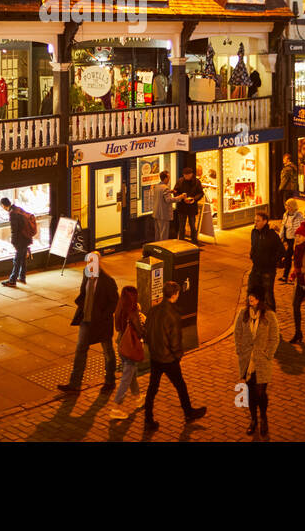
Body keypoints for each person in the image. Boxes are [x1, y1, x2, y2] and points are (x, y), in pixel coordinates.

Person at [143, 280, 206, 431]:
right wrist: (177, 355)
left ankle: (148, 418)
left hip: (155, 356)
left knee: (152, 388)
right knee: (180, 385)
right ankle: (189, 412)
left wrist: (152, 348)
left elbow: (146, 332)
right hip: (168, 358)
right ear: (175, 294)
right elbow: (175, 341)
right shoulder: (173, 314)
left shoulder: (153, 310)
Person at [57, 252, 119, 393]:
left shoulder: (108, 281)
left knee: (108, 352)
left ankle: (110, 380)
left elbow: (114, 302)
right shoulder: (86, 275)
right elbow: (83, 293)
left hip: (102, 322)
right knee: (80, 350)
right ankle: (75, 384)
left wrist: (103, 316)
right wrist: (82, 305)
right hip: (87, 319)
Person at [234, 287, 280, 437]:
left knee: (260, 392)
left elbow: (274, 337)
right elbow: (237, 333)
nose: (250, 299)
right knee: (250, 392)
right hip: (247, 360)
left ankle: (263, 417)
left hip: (262, 360)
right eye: (249, 297)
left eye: (253, 297)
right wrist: (240, 350)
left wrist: (268, 354)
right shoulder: (243, 314)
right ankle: (253, 419)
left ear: (259, 299)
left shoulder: (269, 316)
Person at [109, 287, 147, 419]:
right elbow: (140, 330)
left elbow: (119, 327)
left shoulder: (120, 308)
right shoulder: (133, 312)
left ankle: (138, 398)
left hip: (121, 343)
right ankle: (116, 407)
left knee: (131, 373)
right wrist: (141, 316)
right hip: (130, 345)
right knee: (126, 377)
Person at [249, 209, 283, 309]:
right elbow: (253, 246)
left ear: (265, 221)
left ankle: (272, 316)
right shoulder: (254, 232)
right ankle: (258, 312)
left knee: (268, 294)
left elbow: (281, 251)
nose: (255, 223)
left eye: (258, 221)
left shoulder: (272, 235)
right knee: (252, 291)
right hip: (256, 268)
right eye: (255, 220)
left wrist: (271, 261)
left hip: (268, 270)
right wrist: (252, 254)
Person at [0, 196, 30, 288]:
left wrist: (13, 242)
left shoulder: (12, 213)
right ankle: (22, 277)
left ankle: (12, 281)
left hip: (20, 240)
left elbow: (14, 230)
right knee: (22, 259)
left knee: (17, 260)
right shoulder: (18, 209)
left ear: (3, 206)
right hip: (26, 238)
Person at [171, 167, 204, 243]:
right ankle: (181, 241)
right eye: (185, 175)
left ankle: (194, 241)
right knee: (182, 225)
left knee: (192, 225)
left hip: (192, 207)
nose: (186, 177)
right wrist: (182, 197)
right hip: (182, 207)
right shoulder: (180, 181)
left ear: (191, 174)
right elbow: (175, 192)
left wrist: (194, 199)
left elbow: (201, 193)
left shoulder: (196, 182)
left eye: (188, 175)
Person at [279, 197, 304, 283]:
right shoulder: (285, 215)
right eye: (286, 205)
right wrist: (280, 237)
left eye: (288, 205)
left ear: (293, 206)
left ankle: (296, 276)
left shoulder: (299, 215)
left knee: (297, 259)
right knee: (287, 258)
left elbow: (302, 228)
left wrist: (299, 239)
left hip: (295, 240)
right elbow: (283, 227)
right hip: (288, 239)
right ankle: (285, 276)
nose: (287, 207)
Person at [148, 170, 173, 243]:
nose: (169, 179)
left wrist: (170, 191)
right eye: (168, 178)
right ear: (165, 178)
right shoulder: (165, 188)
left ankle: (157, 248)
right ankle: (163, 249)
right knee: (164, 235)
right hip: (163, 215)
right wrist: (180, 197)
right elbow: (168, 200)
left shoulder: (156, 186)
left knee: (158, 234)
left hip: (156, 213)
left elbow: (161, 195)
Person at [278, 154, 297, 219]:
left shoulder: (287, 169)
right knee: (292, 204)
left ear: (288, 160)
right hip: (293, 189)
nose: (283, 160)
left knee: (287, 205)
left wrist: (280, 188)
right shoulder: (294, 167)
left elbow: (284, 179)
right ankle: (292, 217)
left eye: (284, 159)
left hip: (287, 189)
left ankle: (289, 218)